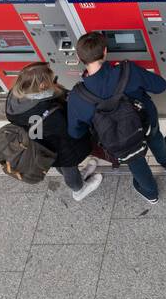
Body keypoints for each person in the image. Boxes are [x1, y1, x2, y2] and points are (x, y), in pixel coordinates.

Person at [67, 31, 166, 205]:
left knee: (134, 160)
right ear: (105, 52)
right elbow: (161, 86)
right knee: (154, 136)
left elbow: (75, 131)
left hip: (118, 139)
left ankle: (150, 192)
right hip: (145, 121)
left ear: (79, 58)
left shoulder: (78, 96)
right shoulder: (127, 70)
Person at [5, 62, 100, 202]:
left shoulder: (15, 97)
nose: (53, 78)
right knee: (68, 167)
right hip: (61, 147)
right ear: (42, 86)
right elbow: (72, 131)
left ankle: (78, 176)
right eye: (50, 77)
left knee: (61, 165)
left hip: (41, 144)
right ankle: (79, 189)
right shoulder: (48, 113)